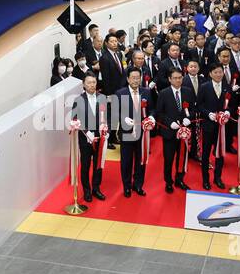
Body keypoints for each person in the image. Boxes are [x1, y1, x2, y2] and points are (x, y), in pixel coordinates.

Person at [155, 68, 196, 193]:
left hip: (184, 132)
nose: (178, 80)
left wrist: (189, 118)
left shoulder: (188, 91)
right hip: (169, 132)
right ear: (169, 79)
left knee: (182, 157)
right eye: (175, 78)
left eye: (180, 78)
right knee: (169, 158)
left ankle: (180, 179)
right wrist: (169, 123)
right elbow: (159, 112)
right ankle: (168, 182)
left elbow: (193, 109)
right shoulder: (164, 93)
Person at [69, 73, 108, 202]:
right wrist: (86, 132)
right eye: (89, 82)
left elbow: (105, 116)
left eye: (94, 82)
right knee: (85, 165)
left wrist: (105, 127)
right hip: (85, 139)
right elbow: (74, 119)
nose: (92, 85)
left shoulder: (102, 98)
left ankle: (96, 188)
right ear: (84, 84)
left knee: (98, 165)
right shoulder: (78, 100)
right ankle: (86, 190)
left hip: (99, 137)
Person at [114, 67, 152, 198]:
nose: (136, 80)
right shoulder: (120, 93)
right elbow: (114, 112)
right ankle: (127, 186)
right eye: (133, 78)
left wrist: (151, 117)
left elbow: (152, 109)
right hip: (127, 132)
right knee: (126, 161)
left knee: (141, 160)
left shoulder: (146, 92)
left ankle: (138, 184)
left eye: (138, 78)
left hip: (143, 132)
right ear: (128, 79)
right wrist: (123, 118)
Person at [197, 63, 232, 190]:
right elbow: (199, 105)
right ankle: (205, 179)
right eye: (215, 72)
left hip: (222, 127)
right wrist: (208, 114)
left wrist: (228, 112)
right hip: (208, 125)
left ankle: (218, 178)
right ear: (211, 74)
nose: (218, 74)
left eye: (220, 72)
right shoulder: (204, 87)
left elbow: (231, 104)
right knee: (206, 153)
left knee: (220, 154)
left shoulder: (227, 87)